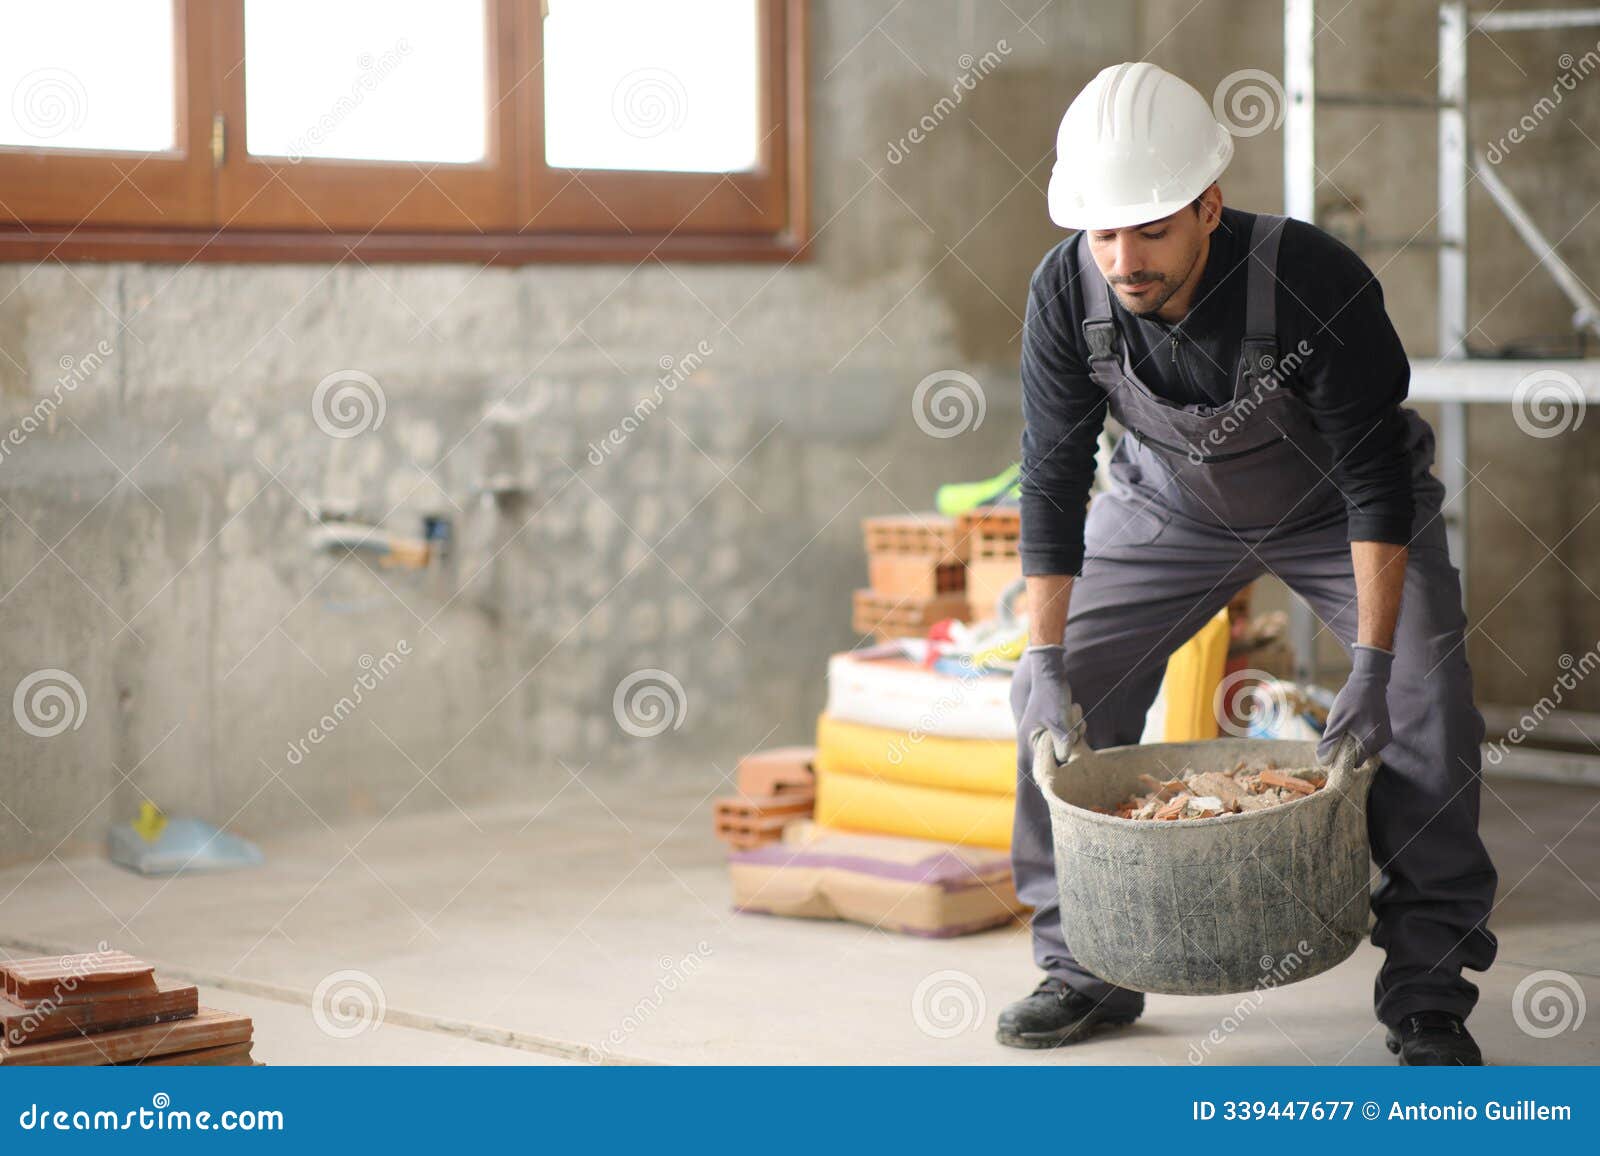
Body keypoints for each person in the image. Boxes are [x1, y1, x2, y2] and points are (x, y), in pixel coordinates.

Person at [1001, 61, 1498, 1065]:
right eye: (1102, 233)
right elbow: (1051, 481)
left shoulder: (1311, 279)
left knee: (1423, 704)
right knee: (1058, 695)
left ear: (1208, 206)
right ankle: (1082, 964)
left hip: (1335, 512)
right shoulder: (1065, 292)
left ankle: (1426, 990)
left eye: (1150, 228)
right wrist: (1045, 659)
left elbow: (1374, 481)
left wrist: (1365, 669)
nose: (1124, 258)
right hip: (1164, 507)